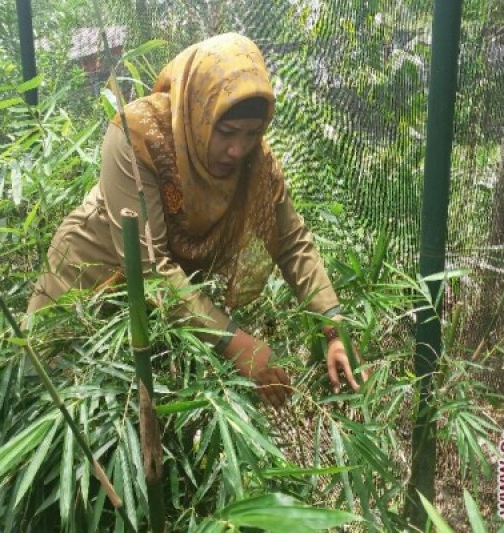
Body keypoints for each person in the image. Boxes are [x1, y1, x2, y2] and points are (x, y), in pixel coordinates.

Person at [27, 33, 366, 407]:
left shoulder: (255, 161)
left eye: (252, 134)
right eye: (226, 132)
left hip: (170, 311)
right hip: (86, 283)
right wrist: (238, 344)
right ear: (199, 112)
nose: (238, 149)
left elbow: (292, 240)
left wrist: (334, 328)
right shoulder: (137, 135)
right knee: (54, 400)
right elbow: (150, 268)